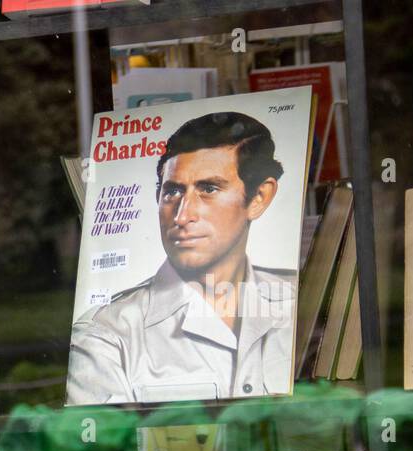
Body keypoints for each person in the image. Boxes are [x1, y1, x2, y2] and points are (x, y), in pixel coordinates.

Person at [67, 111, 296, 405]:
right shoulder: (108, 334)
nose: (183, 215)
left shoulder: (298, 305)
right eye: (172, 191)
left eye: (209, 189)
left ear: (259, 198)